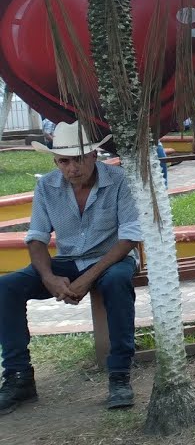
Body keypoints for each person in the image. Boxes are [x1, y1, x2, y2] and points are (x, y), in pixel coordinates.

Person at [0, 122, 141, 413]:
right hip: (67, 261)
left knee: (116, 282)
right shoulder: (46, 186)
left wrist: (87, 278)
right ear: (55, 162)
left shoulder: (119, 180)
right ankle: (18, 376)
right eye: (64, 161)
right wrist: (49, 278)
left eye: (79, 159)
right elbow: (37, 238)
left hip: (111, 258)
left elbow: (128, 238)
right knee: (6, 287)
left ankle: (119, 375)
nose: (72, 168)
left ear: (93, 155)